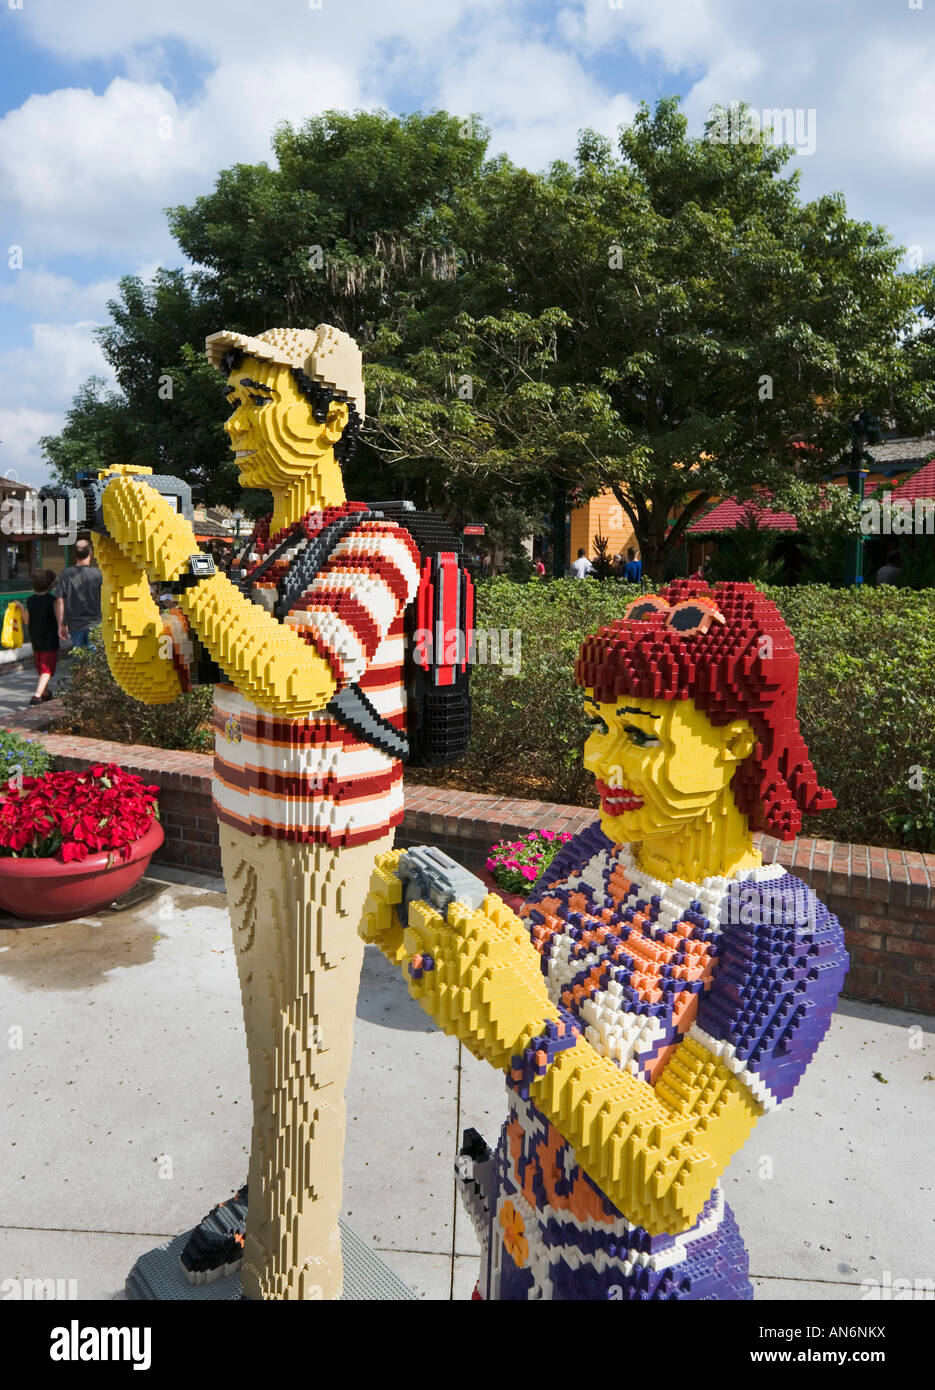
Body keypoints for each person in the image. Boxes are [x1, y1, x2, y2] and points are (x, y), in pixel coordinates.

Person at [363, 579, 849, 1300]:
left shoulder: (786, 936)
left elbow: (672, 1181)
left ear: (735, 742)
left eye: (638, 733)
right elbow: (517, 974)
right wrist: (441, 933)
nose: (597, 759)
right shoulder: (596, 850)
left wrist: (527, 1034)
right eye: (597, 724)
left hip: (643, 1278)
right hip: (515, 1238)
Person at [93, 324, 422, 1300]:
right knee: (274, 1045)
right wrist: (123, 570)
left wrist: (185, 564)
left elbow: (296, 674)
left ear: (328, 415)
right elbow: (156, 676)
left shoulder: (376, 543)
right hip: (247, 829)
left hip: (325, 840)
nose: (230, 418)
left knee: (304, 1052)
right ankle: (277, 1202)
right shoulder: (258, 553)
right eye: (230, 400)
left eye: (254, 397)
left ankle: (293, 1270)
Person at [55, 538, 102, 648]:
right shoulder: (99, 574)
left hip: (75, 625)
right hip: (96, 623)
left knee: (80, 660)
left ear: (75, 554)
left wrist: (61, 624)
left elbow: (59, 602)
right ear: (91, 553)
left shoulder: (66, 574)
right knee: (95, 659)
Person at [23, 570, 60, 705]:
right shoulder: (52, 600)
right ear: (50, 585)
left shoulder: (30, 600)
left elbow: (26, 620)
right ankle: (37, 696)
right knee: (47, 668)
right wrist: (63, 627)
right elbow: (58, 618)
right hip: (49, 637)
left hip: (35, 638)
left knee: (41, 666)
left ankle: (46, 693)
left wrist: (22, 608)